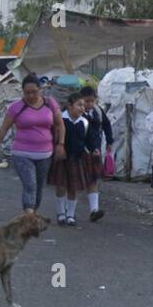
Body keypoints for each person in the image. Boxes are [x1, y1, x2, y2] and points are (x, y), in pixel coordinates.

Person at [0, 75, 65, 213]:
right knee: (30, 185)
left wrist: (61, 144)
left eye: (34, 92)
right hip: (22, 154)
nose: (30, 95)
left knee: (39, 187)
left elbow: (60, 125)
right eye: (27, 93)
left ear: (40, 89)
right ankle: (28, 215)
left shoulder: (50, 104)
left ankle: (32, 214)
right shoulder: (16, 107)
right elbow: (4, 128)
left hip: (45, 154)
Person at [47, 92, 100, 226]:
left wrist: (94, 148)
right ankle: (61, 214)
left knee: (74, 188)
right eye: (79, 105)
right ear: (70, 106)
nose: (83, 108)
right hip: (62, 158)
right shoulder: (61, 120)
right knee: (61, 186)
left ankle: (70, 214)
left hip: (77, 158)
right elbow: (54, 136)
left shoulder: (84, 122)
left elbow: (89, 139)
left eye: (83, 105)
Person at [80, 85, 113, 220]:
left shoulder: (98, 111)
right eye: (86, 101)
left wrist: (110, 140)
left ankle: (94, 210)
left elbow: (106, 124)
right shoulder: (76, 113)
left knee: (93, 180)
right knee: (75, 181)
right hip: (80, 151)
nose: (89, 104)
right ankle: (67, 212)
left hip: (95, 151)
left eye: (92, 101)